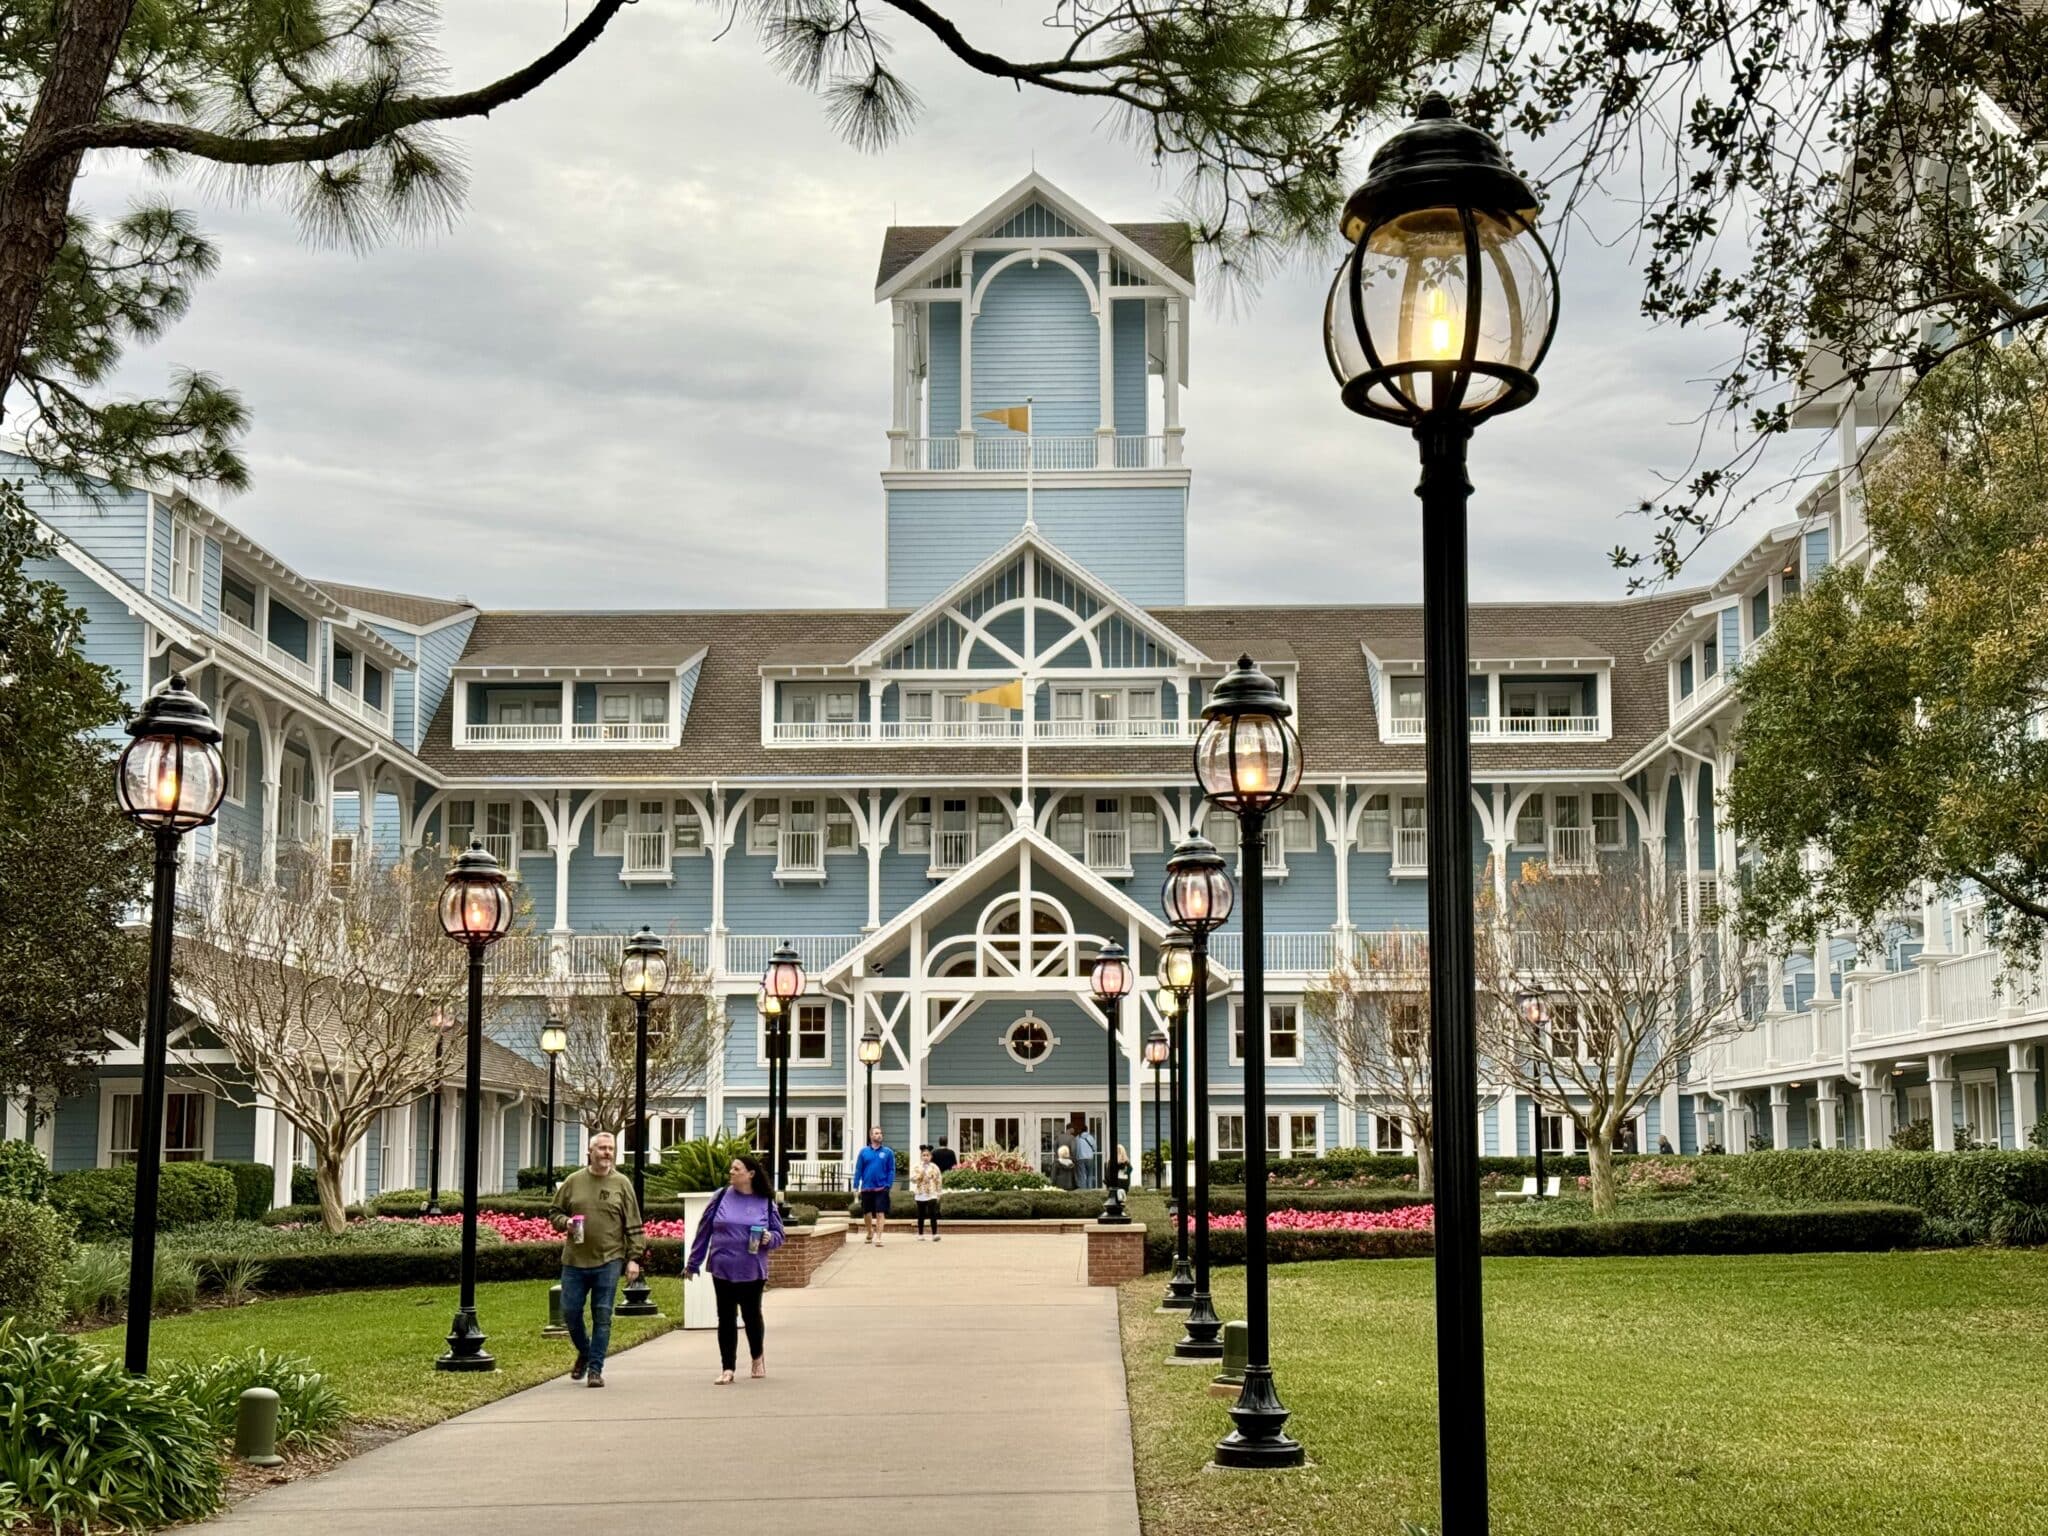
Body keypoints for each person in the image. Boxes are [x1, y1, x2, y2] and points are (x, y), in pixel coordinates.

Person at [548, 1131, 644, 1389]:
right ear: (590, 1152)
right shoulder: (573, 1181)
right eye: (601, 1148)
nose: (607, 1153)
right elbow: (554, 1212)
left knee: (602, 1315)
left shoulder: (622, 1184)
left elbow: (634, 1223)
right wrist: (566, 1222)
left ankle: (595, 1369)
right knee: (570, 1313)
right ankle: (586, 1351)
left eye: (610, 1148)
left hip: (609, 1259)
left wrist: (634, 1258)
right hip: (574, 1261)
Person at [684, 1155, 784, 1384]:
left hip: (752, 1269)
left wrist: (769, 1238)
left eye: (736, 1169)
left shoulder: (765, 1201)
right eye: (731, 1168)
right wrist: (693, 1262)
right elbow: (704, 1231)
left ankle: (757, 1357)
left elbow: (780, 1235)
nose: (731, 1172)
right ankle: (727, 1367)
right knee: (726, 1317)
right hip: (722, 1267)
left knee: (751, 1315)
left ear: (750, 1174)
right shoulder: (720, 1196)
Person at [852, 1125, 896, 1246]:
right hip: (867, 1187)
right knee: (867, 1213)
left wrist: (888, 1185)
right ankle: (869, 1232)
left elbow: (891, 1170)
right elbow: (858, 1169)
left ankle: (878, 1237)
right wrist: (855, 1186)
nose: (879, 1135)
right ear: (871, 1136)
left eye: (880, 1133)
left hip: (882, 1188)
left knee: (880, 1213)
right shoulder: (863, 1152)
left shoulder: (888, 1152)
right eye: (876, 1133)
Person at [911, 1144, 944, 1240]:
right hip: (920, 1193)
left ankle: (934, 1234)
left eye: (927, 1155)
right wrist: (920, 1174)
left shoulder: (934, 1167)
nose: (925, 1157)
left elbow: (939, 1180)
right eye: (924, 1155)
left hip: (932, 1193)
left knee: (932, 1213)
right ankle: (920, 1234)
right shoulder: (917, 1167)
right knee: (921, 1214)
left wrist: (939, 1192)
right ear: (921, 1156)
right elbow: (912, 1179)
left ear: (931, 1156)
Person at [1074, 1124, 1098, 1190]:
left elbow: (1075, 1149)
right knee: (1090, 1175)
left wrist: (1076, 1157)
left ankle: (1084, 1191)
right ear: (1086, 1130)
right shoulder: (1091, 1137)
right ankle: (1089, 1189)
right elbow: (1095, 1148)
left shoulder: (1077, 1138)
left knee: (1082, 1175)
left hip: (1080, 1158)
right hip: (1090, 1158)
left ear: (1080, 1130)